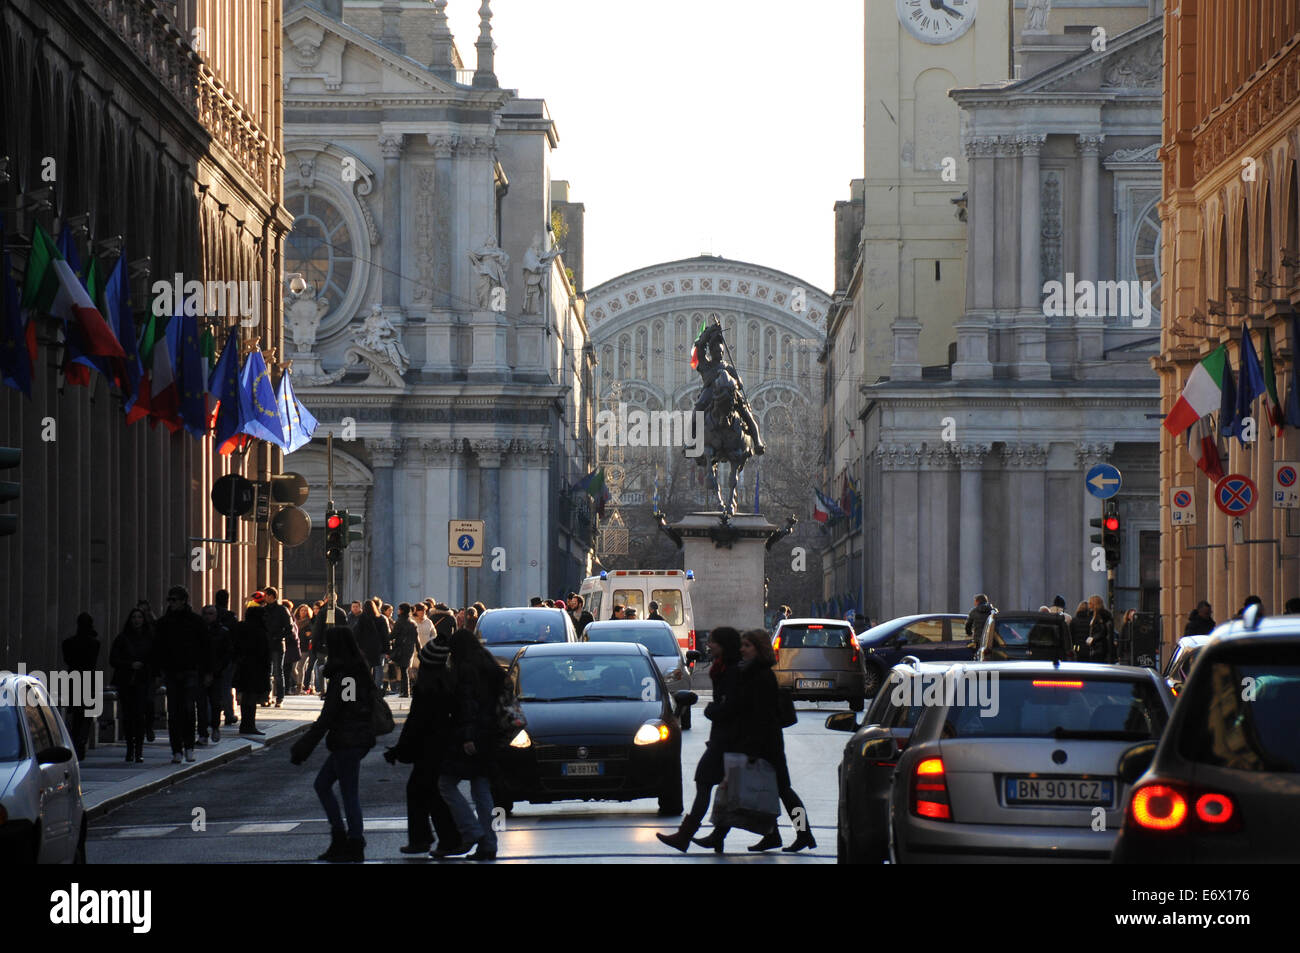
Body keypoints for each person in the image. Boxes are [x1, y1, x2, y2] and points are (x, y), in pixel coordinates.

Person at [694, 629, 816, 853]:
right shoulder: (752, 672)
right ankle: (781, 834)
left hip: (765, 745)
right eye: (742, 645)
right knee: (765, 791)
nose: (742, 649)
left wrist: (751, 747)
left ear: (758, 649)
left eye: (747, 646)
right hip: (762, 743)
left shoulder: (760, 675)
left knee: (781, 791)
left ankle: (802, 833)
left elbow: (761, 715)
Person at [291, 626, 377, 863]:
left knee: (347, 793)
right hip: (354, 738)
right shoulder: (356, 670)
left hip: (348, 739)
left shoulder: (346, 675)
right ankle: (343, 837)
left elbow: (337, 712)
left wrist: (306, 744)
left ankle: (352, 841)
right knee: (324, 785)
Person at [657, 627, 743, 852]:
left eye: (713, 642)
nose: (709, 645)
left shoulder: (734, 671)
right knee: (721, 786)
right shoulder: (724, 668)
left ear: (723, 645)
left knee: (783, 792)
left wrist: (712, 710)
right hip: (725, 738)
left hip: (737, 740)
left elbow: (732, 706)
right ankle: (716, 835)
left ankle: (800, 829)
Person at [386, 635, 460, 856]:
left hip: (428, 748)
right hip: (440, 745)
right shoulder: (445, 681)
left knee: (425, 792)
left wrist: (400, 749)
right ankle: (433, 838)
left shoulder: (427, 686)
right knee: (428, 792)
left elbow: (415, 722)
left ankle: (440, 838)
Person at [436, 629, 505, 860]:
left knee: (446, 783)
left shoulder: (465, 670)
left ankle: (472, 831)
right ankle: (489, 842)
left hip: (471, 735)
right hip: (490, 735)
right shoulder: (489, 665)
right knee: (482, 789)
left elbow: (468, 705)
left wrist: (468, 736)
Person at [154, 586, 211, 764]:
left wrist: (207, 671)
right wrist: (158, 671)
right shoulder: (164, 623)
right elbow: (157, 649)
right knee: (174, 712)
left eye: (174, 599)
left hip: (190, 671)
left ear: (183, 600)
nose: (171, 603)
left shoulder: (195, 622)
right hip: (171, 671)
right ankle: (176, 750)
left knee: (188, 709)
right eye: (169, 600)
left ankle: (188, 747)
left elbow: (206, 647)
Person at [110, 608, 153, 763]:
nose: (136, 620)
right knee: (128, 716)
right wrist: (130, 665)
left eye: (139, 617)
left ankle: (139, 750)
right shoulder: (122, 638)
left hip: (143, 681)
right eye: (134, 617)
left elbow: (154, 659)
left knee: (140, 715)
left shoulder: (149, 638)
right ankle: (130, 748)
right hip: (126, 681)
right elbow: (113, 659)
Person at [60, 613, 101, 761]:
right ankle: (81, 741)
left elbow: (68, 660)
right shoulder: (94, 643)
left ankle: (77, 741)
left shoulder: (68, 643)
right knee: (86, 714)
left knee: (76, 713)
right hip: (88, 679)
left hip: (73, 679)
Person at [232, 604, 270, 736]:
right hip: (256, 668)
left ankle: (245, 724)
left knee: (246, 697)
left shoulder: (241, 627)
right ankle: (249, 725)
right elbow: (265, 653)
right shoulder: (260, 631)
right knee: (251, 697)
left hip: (243, 667)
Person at [200, 604, 234, 744]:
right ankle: (202, 733)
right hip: (200, 673)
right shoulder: (199, 632)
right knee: (201, 705)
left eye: (211, 614)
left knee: (215, 703)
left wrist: (216, 671)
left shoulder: (222, 632)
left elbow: (226, 654)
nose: (208, 616)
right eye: (206, 614)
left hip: (217, 673)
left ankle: (214, 726)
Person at [214, 591, 240, 726]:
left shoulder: (210, 615)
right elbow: (236, 637)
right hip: (227, 656)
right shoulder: (230, 616)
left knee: (212, 688)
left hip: (212, 657)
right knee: (226, 686)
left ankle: (210, 715)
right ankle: (229, 714)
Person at [356, 600, 388, 689]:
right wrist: (387, 649)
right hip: (378, 648)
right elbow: (385, 635)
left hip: (365, 648)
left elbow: (357, 634)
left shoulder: (362, 618)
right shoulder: (381, 619)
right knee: (378, 668)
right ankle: (378, 686)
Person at [390, 604, 418, 698]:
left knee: (403, 670)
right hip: (409, 649)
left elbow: (393, 635)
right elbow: (416, 639)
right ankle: (404, 691)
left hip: (400, 648)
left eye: (398, 609)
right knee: (404, 669)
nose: (397, 611)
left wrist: (386, 638)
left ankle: (405, 692)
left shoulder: (400, 621)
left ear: (401, 610)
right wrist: (419, 650)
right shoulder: (412, 623)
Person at [1084, 595, 1114, 662]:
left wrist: (1092, 639)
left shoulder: (1102, 615)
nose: (1088, 605)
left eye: (1090, 603)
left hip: (1100, 647)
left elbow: (1103, 631)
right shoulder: (1094, 614)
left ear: (1094, 604)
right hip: (1096, 646)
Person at [295, 605, 316, 694]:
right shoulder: (295, 621)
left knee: (300, 667)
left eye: (305, 611)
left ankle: (300, 686)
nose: (303, 612)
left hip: (305, 647)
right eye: (302, 610)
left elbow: (310, 634)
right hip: (296, 646)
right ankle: (309, 686)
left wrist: (307, 634)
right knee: (302, 668)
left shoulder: (309, 622)